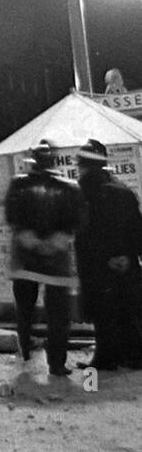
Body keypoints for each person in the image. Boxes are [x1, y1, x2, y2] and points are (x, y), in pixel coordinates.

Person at [4, 139, 84, 376]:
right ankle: (57, 363)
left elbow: (10, 216)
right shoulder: (70, 187)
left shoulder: (18, 185)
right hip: (57, 259)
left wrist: (30, 238)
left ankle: (26, 352)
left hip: (25, 257)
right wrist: (57, 239)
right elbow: (79, 221)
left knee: (25, 310)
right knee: (58, 314)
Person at [75, 138, 142, 370]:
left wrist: (104, 259)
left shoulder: (81, 194)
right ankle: (133, 357)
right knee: (128, 310)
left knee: (103, 315)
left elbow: (84, 235)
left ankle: (103, 362)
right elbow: (137, 228)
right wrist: (127, 255)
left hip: (97, 267)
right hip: (127, 264)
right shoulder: (124, 192)